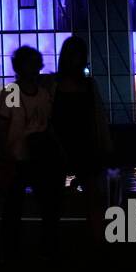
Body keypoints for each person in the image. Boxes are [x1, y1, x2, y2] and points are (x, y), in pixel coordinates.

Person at [0, 45, 59, 261]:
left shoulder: (25, 92)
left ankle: (13, 249)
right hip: (24, 155)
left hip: (26, 154)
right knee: (34, 203)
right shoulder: (40, 94)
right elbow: (7, 123)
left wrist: (5, 149)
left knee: (17, 205)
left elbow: (5, 122)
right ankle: (40, 248)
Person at [48, 37, 114, 245]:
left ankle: (91, 239)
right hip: (64, 145)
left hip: (82, 145)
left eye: (77, 54)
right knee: (77, 197)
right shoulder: (62, 85)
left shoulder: (66, 85)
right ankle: (84, 239)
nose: (74, 59)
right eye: (72, 54)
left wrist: (104, 142)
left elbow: (98, 116)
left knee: (91, 197)